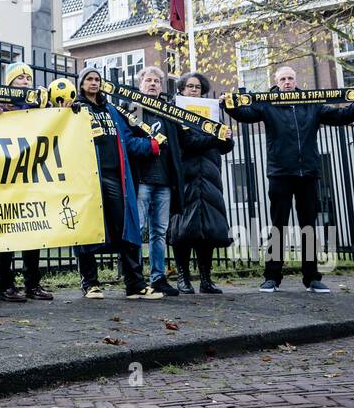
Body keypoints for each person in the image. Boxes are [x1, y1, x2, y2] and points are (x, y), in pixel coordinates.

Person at [222, 65, 354, 292]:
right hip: (280, 173)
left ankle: (312, 277)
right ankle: (272, 277)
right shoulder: (267, 103)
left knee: (309, 227)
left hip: (308, 174)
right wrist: (228, 104)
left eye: (290, 78)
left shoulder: (311, 103)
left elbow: (341, 116)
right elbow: (245, 115)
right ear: (276, 81)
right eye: (282, 78)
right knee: (278, 226)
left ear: (296, 80)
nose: (287, 82)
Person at [71, 66, 164, 300]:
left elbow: (130, 139)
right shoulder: (75, 109)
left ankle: (135, 285)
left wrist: (150, 146)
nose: (94, 83)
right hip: (87, 178)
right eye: (89, 79)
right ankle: (90, 283)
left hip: (116, 176)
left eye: (97, 79)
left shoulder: (113, 110)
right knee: (87, 228)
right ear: (81, 84)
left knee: (127, 227)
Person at [0, 61, 52, 303]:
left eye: (28, 78)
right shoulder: (0, 108)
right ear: (10, 83)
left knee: (32, 229)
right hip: (6, 178)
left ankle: (32, 284)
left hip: (31, 176)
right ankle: (5, 285)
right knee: (6, 230)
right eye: (20, 78)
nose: (26, 82)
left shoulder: (39, 106)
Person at [170, 72, 235, 294]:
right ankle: (183, 278)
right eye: (189, 86)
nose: (194, 90)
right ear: (181, 90)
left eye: (197, 87)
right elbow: (187, 142)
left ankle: (206, 279)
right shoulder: (177, 112)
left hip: (210, 176)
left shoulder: (213, 113)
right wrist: (216, 138)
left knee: (208, 229)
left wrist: (226, 137)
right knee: (182, 230)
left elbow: (226, 146)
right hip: (186, 176)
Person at [132, 66, 180, 296]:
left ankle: (158, 278)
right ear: (140, 85)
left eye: (156, 81)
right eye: (148, 80)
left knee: (159, 232)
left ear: (161, 87)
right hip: (142, 179)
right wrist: (150, 147)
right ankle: (136, 279)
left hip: (164, 181)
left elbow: (185, 138)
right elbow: (129, 142)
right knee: (137, 228)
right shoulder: (134, 109)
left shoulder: (169, 112)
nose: (152, 84)